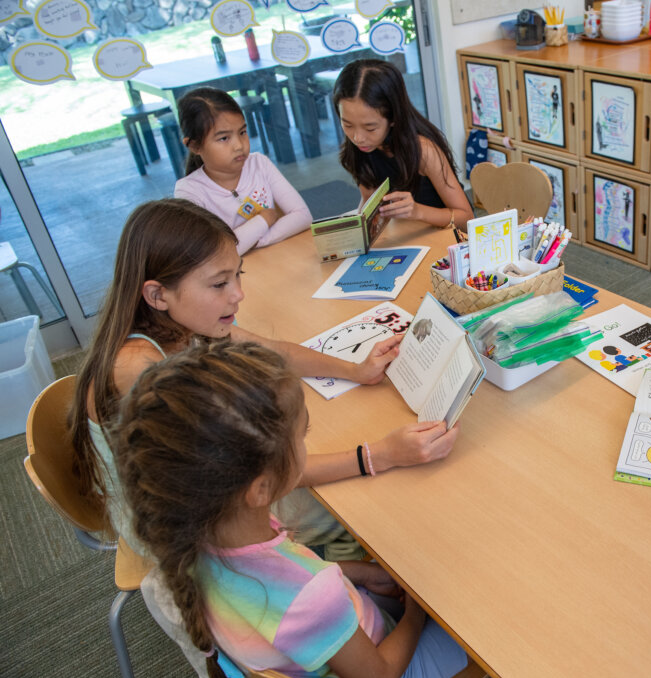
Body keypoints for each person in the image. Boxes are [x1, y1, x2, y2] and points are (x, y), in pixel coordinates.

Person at [69, 198, 458, 560]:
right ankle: (349, 577)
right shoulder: (140, 369)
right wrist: (378, 455)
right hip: (182, 527)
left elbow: (275, 352)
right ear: (157, 295)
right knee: (362, 516)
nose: (238, 294)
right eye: (219, 284)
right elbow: (254, 474)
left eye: (237, 275)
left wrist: (354, 370)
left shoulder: (184, 324)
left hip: (210, 485)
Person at [115, 340, 469, 678]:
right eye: (302, 436)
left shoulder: (199, 537)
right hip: (391, 668)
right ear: (261, 489)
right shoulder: (311, 595)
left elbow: (291, 596)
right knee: (477, 612)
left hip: (335, 632)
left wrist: (358, 573)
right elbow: (380, 676)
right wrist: (417, 611)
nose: (304, 445)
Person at [333, 59, 473, 231]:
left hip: (447, 236)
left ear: (393, 118)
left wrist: (417, 211)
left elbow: (466, 218)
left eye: (370, 128)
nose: (357, 138)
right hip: (406, 235)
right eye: (347, 125)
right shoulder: (361, 148)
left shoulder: (424, 151)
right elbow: (368, 200)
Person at [173, 87, 313, 255]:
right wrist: (264, 219)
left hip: (276, 258)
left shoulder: (259, 163)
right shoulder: (188, 191)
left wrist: (254, 241)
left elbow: (303, 216)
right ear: (195, 146)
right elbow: (210, 253)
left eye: (242, 132)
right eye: (224, 138)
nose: (239, 145)